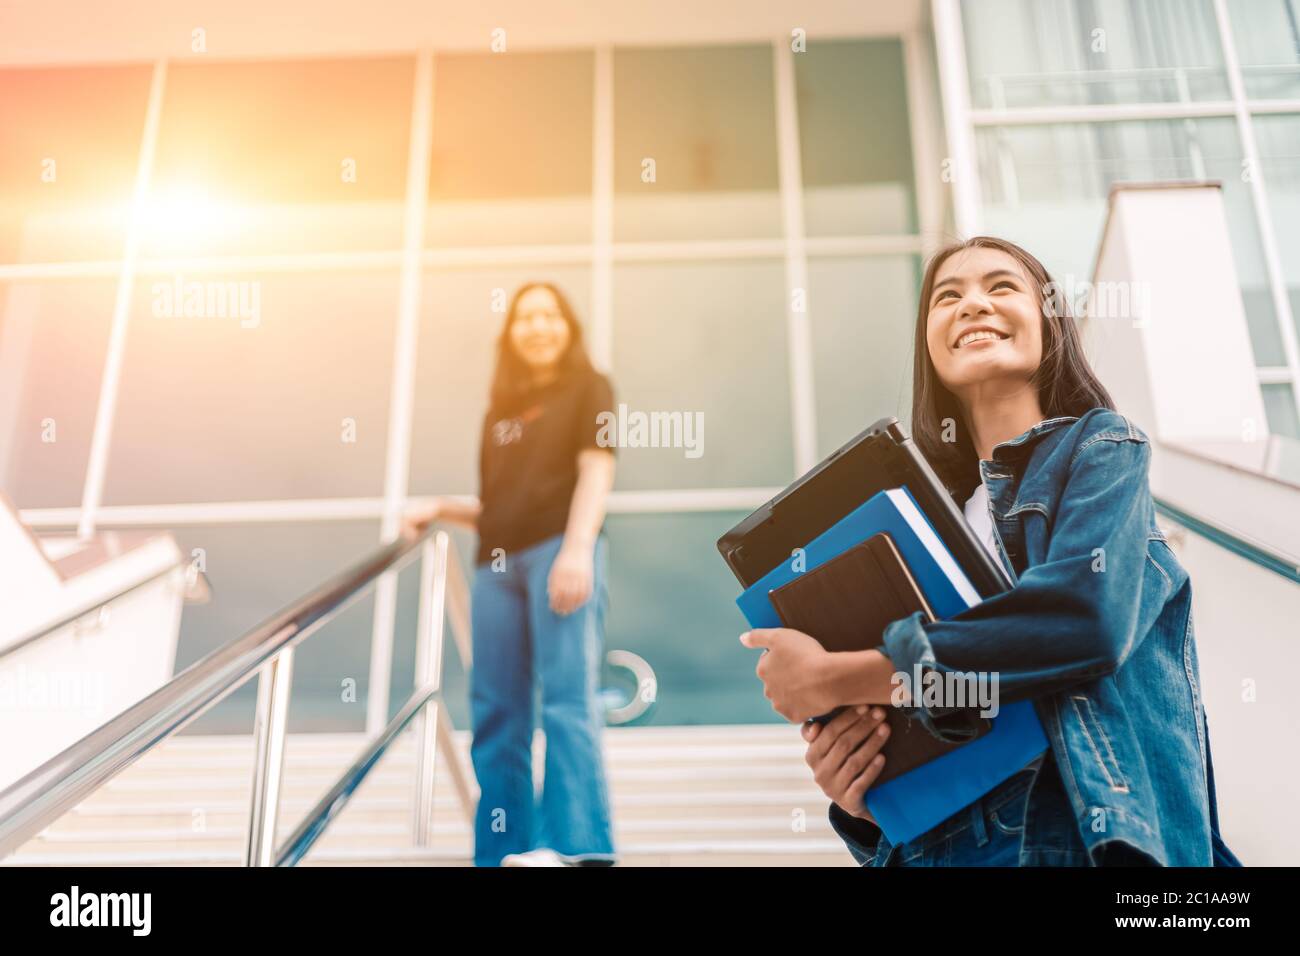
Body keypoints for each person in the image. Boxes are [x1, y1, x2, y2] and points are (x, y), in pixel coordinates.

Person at [740, 236, 1241, 867]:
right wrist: (860, 801)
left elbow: (1082, 622)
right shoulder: (916, 522)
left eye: (1001, 287)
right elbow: (940, 710)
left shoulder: (1099, 449)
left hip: (1065, 828)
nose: (972, 304)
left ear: (1049, 324)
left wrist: (835, 676)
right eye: (947, 297)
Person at [408, 281, 617, 867]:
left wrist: (577, 551)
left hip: (560, 548)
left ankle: (577, 848)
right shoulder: (497, 412)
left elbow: (596, 471)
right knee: (498, 708)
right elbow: (495, 507)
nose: (539, 326)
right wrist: (441, 508)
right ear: (512, 334)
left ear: (567, 327)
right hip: (496, 565)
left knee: (566, 699)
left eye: (550, 314)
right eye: (526, 318)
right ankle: (503, 851)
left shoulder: (589, 387)